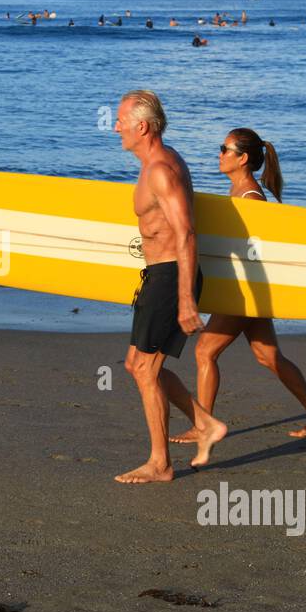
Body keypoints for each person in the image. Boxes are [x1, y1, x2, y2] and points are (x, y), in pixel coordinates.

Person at [171, 129, 306, 453]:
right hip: (247, 290)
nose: (219, 154)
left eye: (224, 149)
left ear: (242, 158)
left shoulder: (252, 198)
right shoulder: (237, 190)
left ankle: (204, 427)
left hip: (245, 292)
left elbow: (260, 252)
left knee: (205, 352)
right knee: (267, 355)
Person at [112, 91, 227, 483]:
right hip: (157, 278)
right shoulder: (155, 165)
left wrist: (184, 299)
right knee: (136, 365)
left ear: (141, 126)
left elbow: (186, 233)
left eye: (121, 121)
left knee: (145, 368)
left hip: (170, 278)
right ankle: (205, 424)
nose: (115, 127)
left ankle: (160, 464)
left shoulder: (161, 169)